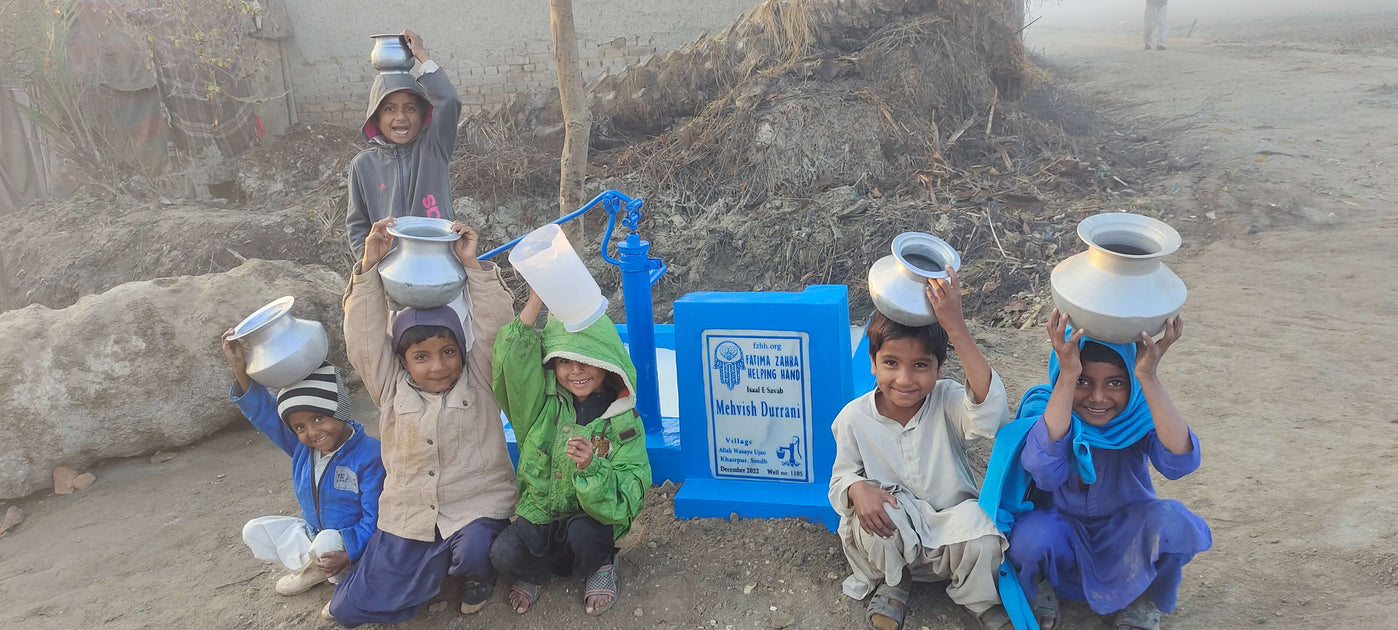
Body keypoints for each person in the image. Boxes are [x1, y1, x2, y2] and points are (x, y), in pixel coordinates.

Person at [327, 217, 518, 625]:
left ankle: (476, 575)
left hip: (475, 506)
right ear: (402, 361)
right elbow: (362, 339)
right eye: (421, 356)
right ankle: (431, 565)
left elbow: (496, 329)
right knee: (349, 609)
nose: (437, 366)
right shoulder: (390, 388)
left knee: (477, 550)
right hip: (410, 513)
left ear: (461, 351)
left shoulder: (481, 379)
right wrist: (369, 266)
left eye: (448, 352)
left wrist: (472, 265)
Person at [985, 310, 1211, 630]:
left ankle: (1143, 597)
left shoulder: (1137, 413)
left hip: (1126, 535)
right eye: (1083, 381)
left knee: (1177, 523)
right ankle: (1040, 586)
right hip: (1061, 536)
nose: (1099, 397)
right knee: (1028, 537)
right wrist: (1066, 377)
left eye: (1116, 382)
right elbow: (1045, 471)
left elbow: (1181, 462)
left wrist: (1148, 377)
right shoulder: (1045, 406)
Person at [829, 269, 1013, 630]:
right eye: (891, 364)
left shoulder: (945, 399)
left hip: (949, 531)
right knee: (871, 517)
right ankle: (896, 583)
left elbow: (989, 416)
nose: (905, 379)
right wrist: (856, 489)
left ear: (939, 368)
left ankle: (979, 597)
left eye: (920, 366)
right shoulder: (853, 418)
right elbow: (840, 477)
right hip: (892, 531)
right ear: (872, 363)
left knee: (986, 531)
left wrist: (956, 327)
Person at [489, 291, 652, 616]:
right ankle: (538, 574)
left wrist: (593, 467)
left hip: (592, 521)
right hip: (543, 513)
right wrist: (538, 297)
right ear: (552, 363)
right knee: (503, 553)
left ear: (608, 364)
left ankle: (601, 565)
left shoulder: (623, 420)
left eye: (587, 359)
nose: (576, 371)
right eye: (564, 360)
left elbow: (627, 497)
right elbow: (514, 362)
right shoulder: (540, 405)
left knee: (584, 535)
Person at [220, 337, 384, 600]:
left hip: (351, 545)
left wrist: (349, 551)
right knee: (256, 530)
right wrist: (241, 369)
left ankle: (347, 580)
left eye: (319, 418)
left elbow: (376, 519)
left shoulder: (369, 455)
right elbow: (266, 414)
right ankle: (316, 569)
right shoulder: (303, 449)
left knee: (327, 543)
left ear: (338, 410)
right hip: (313, 534)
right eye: (300, 427)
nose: (312, 432)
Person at [346, 29, 459, 259]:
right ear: (376, 117)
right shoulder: (363, 165)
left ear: (423, 114)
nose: (400, 117)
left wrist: (422, 55)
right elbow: (357, 226)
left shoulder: (434, 148)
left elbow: (448, 100)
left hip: (439, 263)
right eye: (389, 109)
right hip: (391, 271)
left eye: (410, 108)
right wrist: (369, 263)